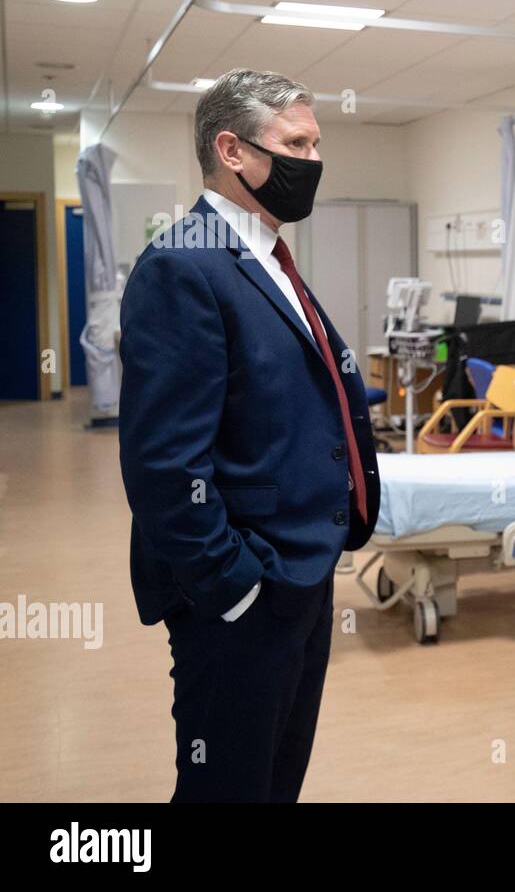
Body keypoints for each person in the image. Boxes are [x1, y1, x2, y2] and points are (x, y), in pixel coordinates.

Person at [118, 68, 379, 801]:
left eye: (317, 143)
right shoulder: (183, 265)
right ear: (231, 151)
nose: (314, 160)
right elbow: (164, 463)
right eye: (295, 142)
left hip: (301, 571)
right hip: (243, 594)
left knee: (274, 780)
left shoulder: (267, 257)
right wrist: (235, 587)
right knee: (226, 788)